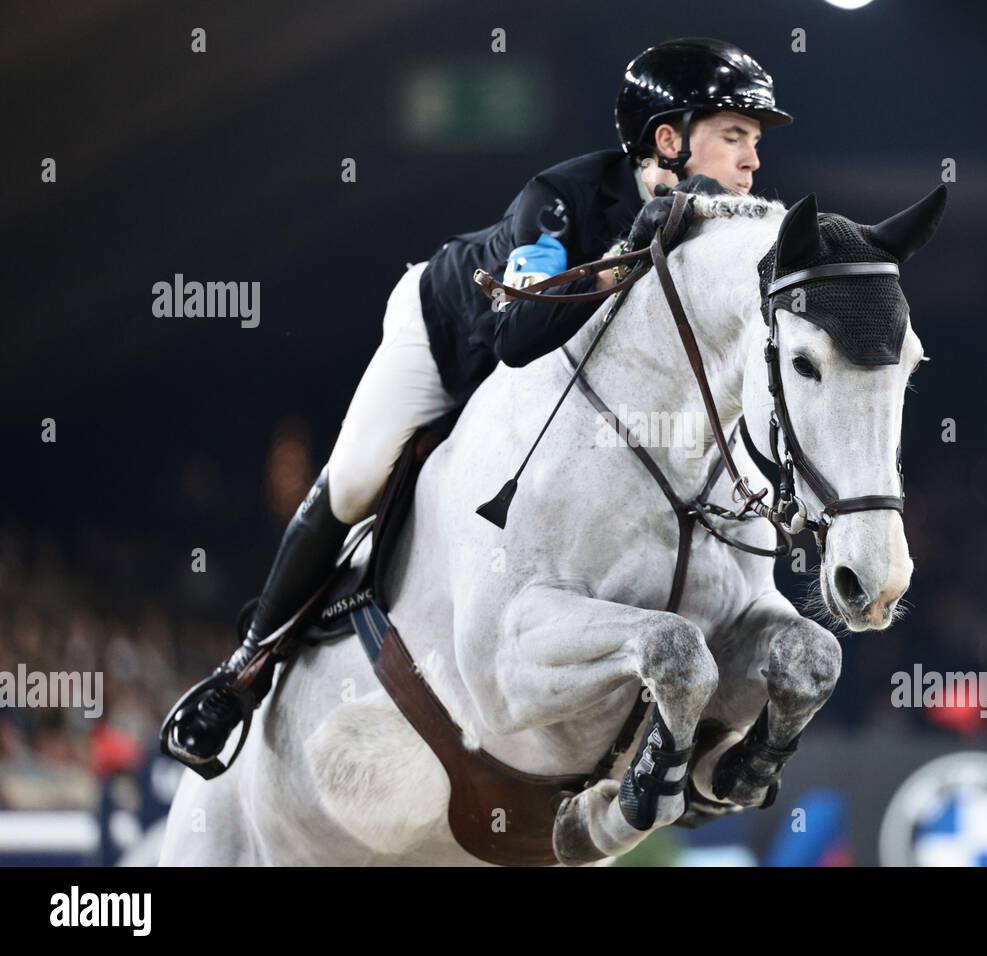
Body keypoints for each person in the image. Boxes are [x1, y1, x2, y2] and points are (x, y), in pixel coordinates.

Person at [160, 37, 793, 777]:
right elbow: (518, 337)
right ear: (668, 139)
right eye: (734, 137)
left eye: (753, 141)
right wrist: (625, 253)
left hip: (555, 393)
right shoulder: (562, 199)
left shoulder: (713, 230)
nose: (752, 160)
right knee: (359, 475)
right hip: (451, 341)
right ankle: (245, 668)